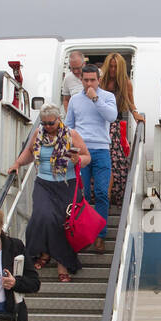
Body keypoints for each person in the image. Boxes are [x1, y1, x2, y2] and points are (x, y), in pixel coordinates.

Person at [9, 104, 91, 281]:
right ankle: (42, 253)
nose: (47, 127)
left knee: (62, 222)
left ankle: (60, 262)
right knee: (42, 215)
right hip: (44, 184)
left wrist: (78, 160)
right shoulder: (38, 134)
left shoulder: (71, 135)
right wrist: (17, 164)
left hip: (67, 184)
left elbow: (87, 157)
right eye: (44, 123)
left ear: (59, 120)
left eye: (51, 123)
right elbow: (29, 153)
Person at [64, 63, 116, 252]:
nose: (89, 83)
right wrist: (69, 150)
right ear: (81, 80)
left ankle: (100, 236)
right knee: (82, 195)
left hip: (101, 150)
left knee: (102, 193)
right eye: (86, 80)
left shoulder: (108, 97)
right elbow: (69, 126)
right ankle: (83, 232)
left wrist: (95, 99)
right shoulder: (75, 100)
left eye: (92, 80)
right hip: (80, 151)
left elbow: (112, 117)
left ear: (98, 80)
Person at [101, 52, 145, 206]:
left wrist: (135, 114)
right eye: (111, 66)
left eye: (115, 67)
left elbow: (130, 102)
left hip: (114, 125)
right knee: (104, 161)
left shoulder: (125, 83)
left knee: (115, 163)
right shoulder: (101, 81)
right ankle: (102, 196)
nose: (113, 70)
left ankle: (108, 196)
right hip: (100, 124)